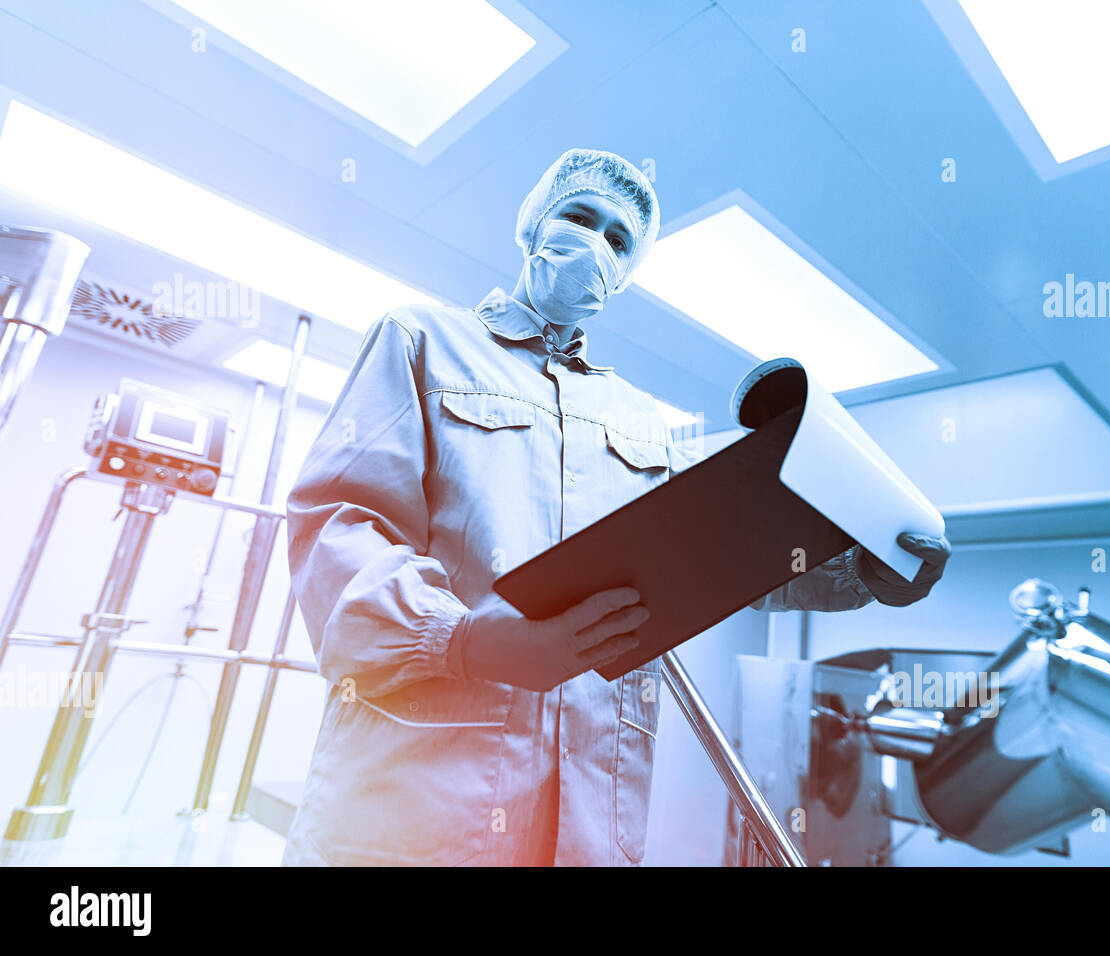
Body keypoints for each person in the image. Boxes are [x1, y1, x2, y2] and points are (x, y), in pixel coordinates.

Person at [280, 148, 951, 867]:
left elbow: (721, 552)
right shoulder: (423, 342)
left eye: (620, 238)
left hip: (587, 829)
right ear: (535, 223)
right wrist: (467, 640)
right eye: (579, 216)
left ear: (626, 272)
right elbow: (337, 530)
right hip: (416, 816)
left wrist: (861, 569)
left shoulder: (636, 418)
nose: (596, 242)